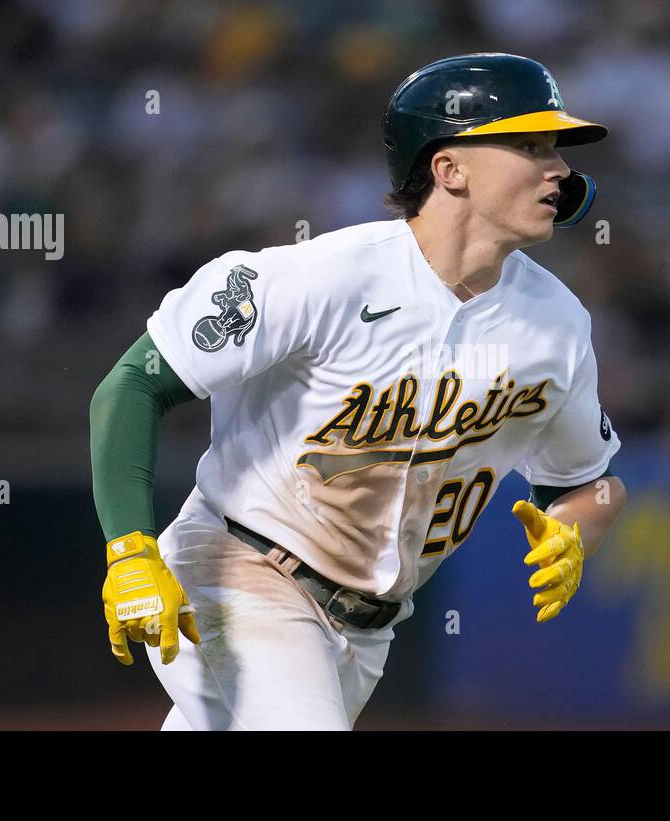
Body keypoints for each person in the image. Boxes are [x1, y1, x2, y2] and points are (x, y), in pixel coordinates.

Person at [89, 53, 627, 730]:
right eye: (528, 145)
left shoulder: (558, 326)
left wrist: (576, 530)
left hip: (367, 633)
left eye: (555, 149)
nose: (558, 169)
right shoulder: (322, 277)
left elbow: (587, 481)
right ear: (448, 168)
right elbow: (134, 384)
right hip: (237, 567)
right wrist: (130, 552)